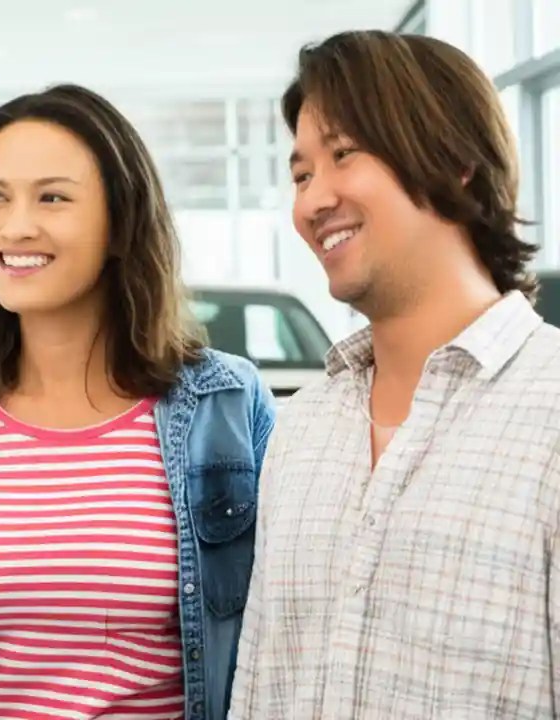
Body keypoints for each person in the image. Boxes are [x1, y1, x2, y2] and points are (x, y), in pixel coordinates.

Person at [0, 84, 276, 720]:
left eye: (52, 197)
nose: (14, 226)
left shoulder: (226, 405)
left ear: (118, 225)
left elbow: (279, 631)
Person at [228, 30, 560, 719]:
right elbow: (259, 685)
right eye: (300, 174)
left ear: (456, 159)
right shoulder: (303, 427)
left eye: (344, 154)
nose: (313, 201)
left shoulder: (550, 408)